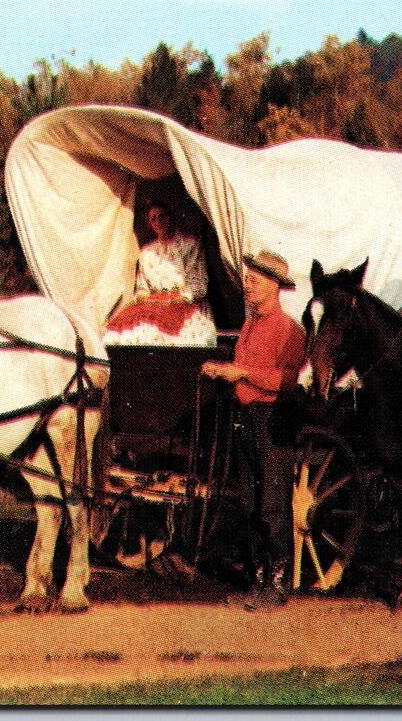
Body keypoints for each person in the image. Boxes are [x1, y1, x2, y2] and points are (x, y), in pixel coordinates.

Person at [200, 249, 305, 610]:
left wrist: (243, 374)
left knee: (272, 505)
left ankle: (277, 585)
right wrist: (223, 368)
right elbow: (247, 365)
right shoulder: (250, 323)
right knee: (249, 503)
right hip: (246, 418)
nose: (246, 286)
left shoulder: (290, 330)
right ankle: (258, 581)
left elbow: (290, 381)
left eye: (254, 281)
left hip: (272, 420)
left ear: (275, 286)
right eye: (246, 279)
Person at [105, 202, 216, 346]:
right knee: (126, 331)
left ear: (171, 217)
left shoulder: (190, 244)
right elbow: (142, 286)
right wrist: (144, 298)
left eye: (162, 216)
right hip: (154, 303)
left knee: (166, 336)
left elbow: (198, 285)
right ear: (150, 224)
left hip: (184, 302)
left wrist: (179, 298)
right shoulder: (147, 251)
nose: (159, 221)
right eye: (153, 218)